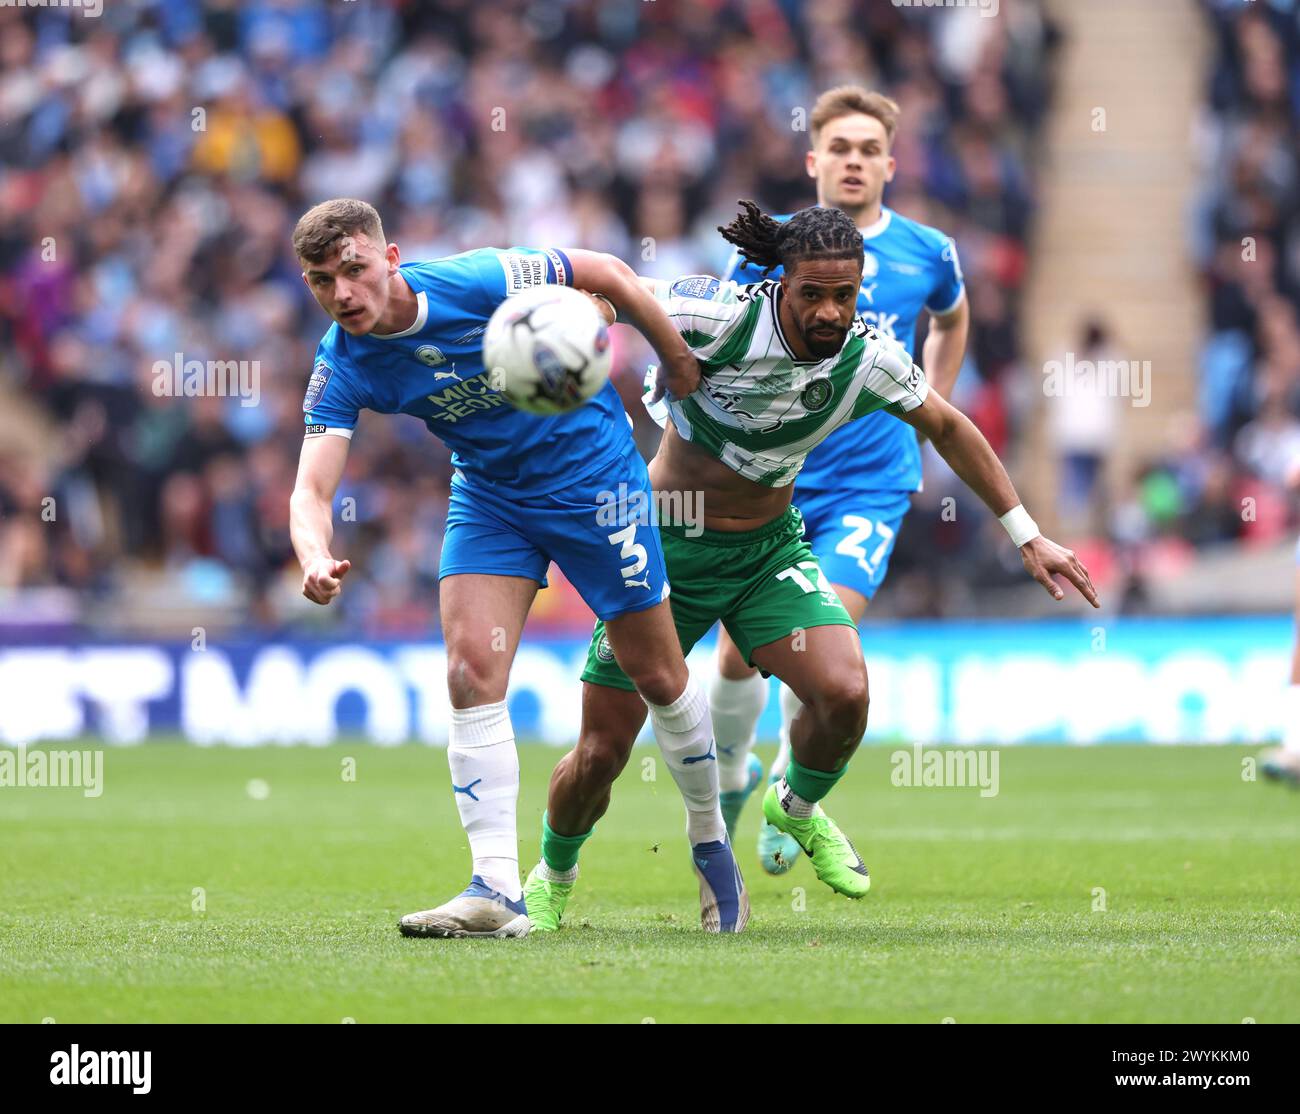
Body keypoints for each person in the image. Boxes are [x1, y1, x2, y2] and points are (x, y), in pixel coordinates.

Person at [521, 203, 1098, 931]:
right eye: (812, 294)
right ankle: (553, 874)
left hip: (768, 555)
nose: (830, 311)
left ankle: (791, 806)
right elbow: (620, 292)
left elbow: (949, 427)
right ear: (779, 282)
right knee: (602, 752)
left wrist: (1027, 534)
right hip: (667, 551)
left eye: (845, 295)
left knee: (846, 692)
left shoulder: (870, 360)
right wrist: (565, 313)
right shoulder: (716, 315)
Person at [287, 198, 748, 937]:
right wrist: (312, 555)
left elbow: (611, 273)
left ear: (391, 258)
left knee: (659, 676)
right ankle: (496, 890)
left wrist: (679, 360)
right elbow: (312, 488)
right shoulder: (344, 361)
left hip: (597, 485)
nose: (341, 293)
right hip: (492, 498)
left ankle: (708, 839)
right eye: (320, 280)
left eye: (354, 270)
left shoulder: (477, 280)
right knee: (470, 672)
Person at [705, 87, 971, 873]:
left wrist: (934, 401)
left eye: (868, 150)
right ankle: (729, 774)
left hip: (871, 482)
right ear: (814, 160)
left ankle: (795, 797)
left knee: (819, 641)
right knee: (731, 661)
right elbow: (723, 336)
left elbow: (953, 318)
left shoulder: (930, 251)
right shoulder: (771, 247)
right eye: (840, 149)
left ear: (890, 163)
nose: (854, 161)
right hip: (772, 478)